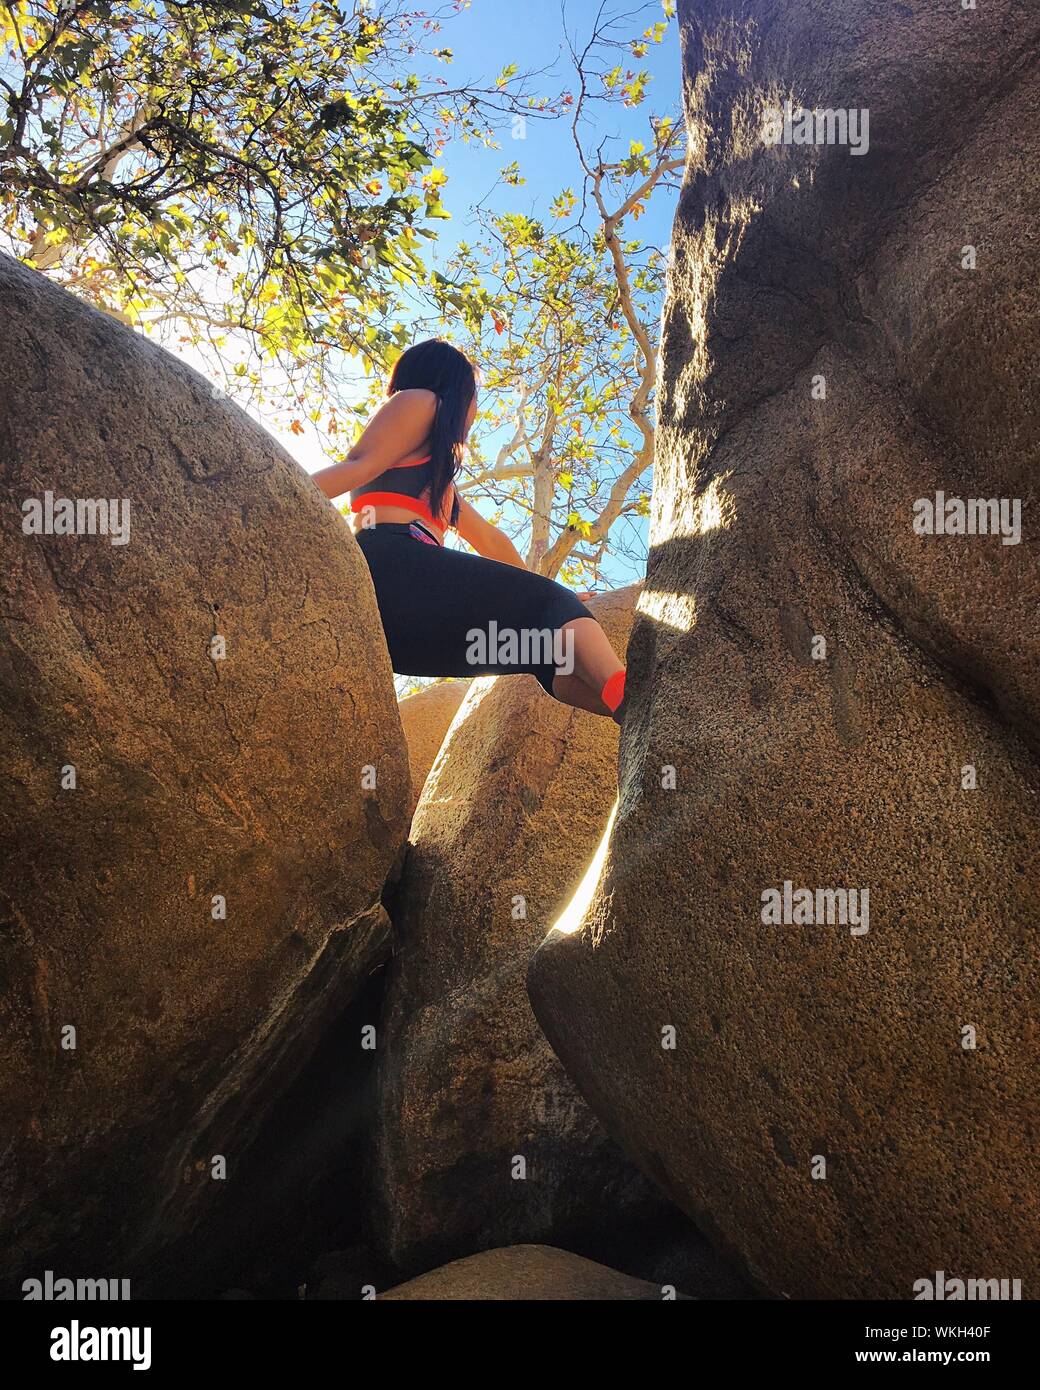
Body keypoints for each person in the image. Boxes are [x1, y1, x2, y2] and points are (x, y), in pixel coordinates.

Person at [311, 339, 628, 722]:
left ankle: (633, 711)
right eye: (474, 395)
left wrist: (553, 600)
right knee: (552, 610)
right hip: (391, 568)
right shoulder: (422, 400)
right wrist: (277, 495)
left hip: (404, 636)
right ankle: (631, 692)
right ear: (456, 387)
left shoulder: (439, 484)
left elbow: (489, 538)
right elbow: (359, 465)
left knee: (544, 651)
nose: (475, 409)